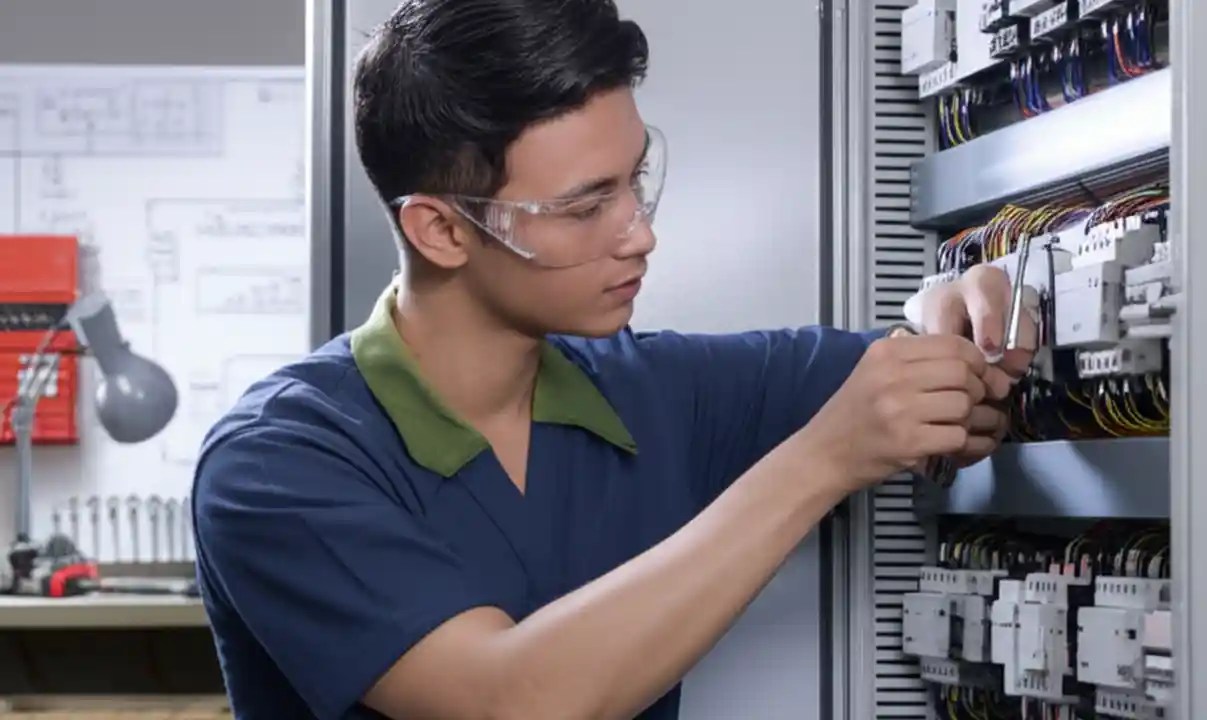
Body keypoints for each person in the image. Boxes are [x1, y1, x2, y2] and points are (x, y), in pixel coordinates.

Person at [191, 1, 1036, 718]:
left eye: (635, 180)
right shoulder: (276, 464)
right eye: (586, 205)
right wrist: (819, 461)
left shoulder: (657, 392)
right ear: (441, 230)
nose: (639, 232)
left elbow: (912, 367)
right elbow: (511, 701)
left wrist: (949, 313)